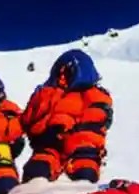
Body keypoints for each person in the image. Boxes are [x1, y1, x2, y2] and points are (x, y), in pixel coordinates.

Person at [20, 49, 113, 183]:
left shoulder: (51, 94)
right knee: (84, 166)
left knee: (39, 168)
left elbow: (29, 120)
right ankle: (85, 183)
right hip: (81, 147)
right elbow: (101, 117)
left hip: (56, 146)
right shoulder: (96, 94)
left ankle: (35, 184)